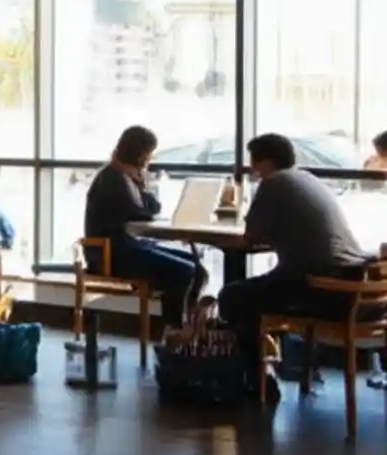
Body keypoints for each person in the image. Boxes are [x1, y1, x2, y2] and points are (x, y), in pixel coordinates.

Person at [219, 133, 372, 396]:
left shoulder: (274, 183)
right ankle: (271, 371)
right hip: (354, 285)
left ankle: (257, 381)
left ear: (264, 161)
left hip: (321, 289)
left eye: (254, 162)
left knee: (232, 297)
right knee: (252, 293)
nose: (253, 169)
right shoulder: (308, 179)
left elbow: (250, 237)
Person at [83, 125, 205, 328]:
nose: (150, 159)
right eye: (149, 154)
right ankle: (173, 332)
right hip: (111, 254)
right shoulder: (111, 178)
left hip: (126, 246)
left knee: (196, 267)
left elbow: (152, 207)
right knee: (184, 271)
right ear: (140, 155)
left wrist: (139, 182)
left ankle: (188, 328)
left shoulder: (124, 176)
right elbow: (141, 211)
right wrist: (140, 183)